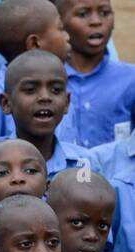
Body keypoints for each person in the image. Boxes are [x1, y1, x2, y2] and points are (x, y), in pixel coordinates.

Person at [0, 51, 95, 189]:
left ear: (67, 103)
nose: (45, 97)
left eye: (55, 90)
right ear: (6, 103)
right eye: (30, 90)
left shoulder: (82, 163)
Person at [0, 0, 74, 144]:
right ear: (35, 44)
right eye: (61, 29)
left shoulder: (61, 95)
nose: (67, 37)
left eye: (55, 89)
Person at [55, 0, 135, 148]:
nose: (96, 22)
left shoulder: (130, 80)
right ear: (59, 22)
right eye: (83, 14)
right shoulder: (46, 81)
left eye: (104, 13)